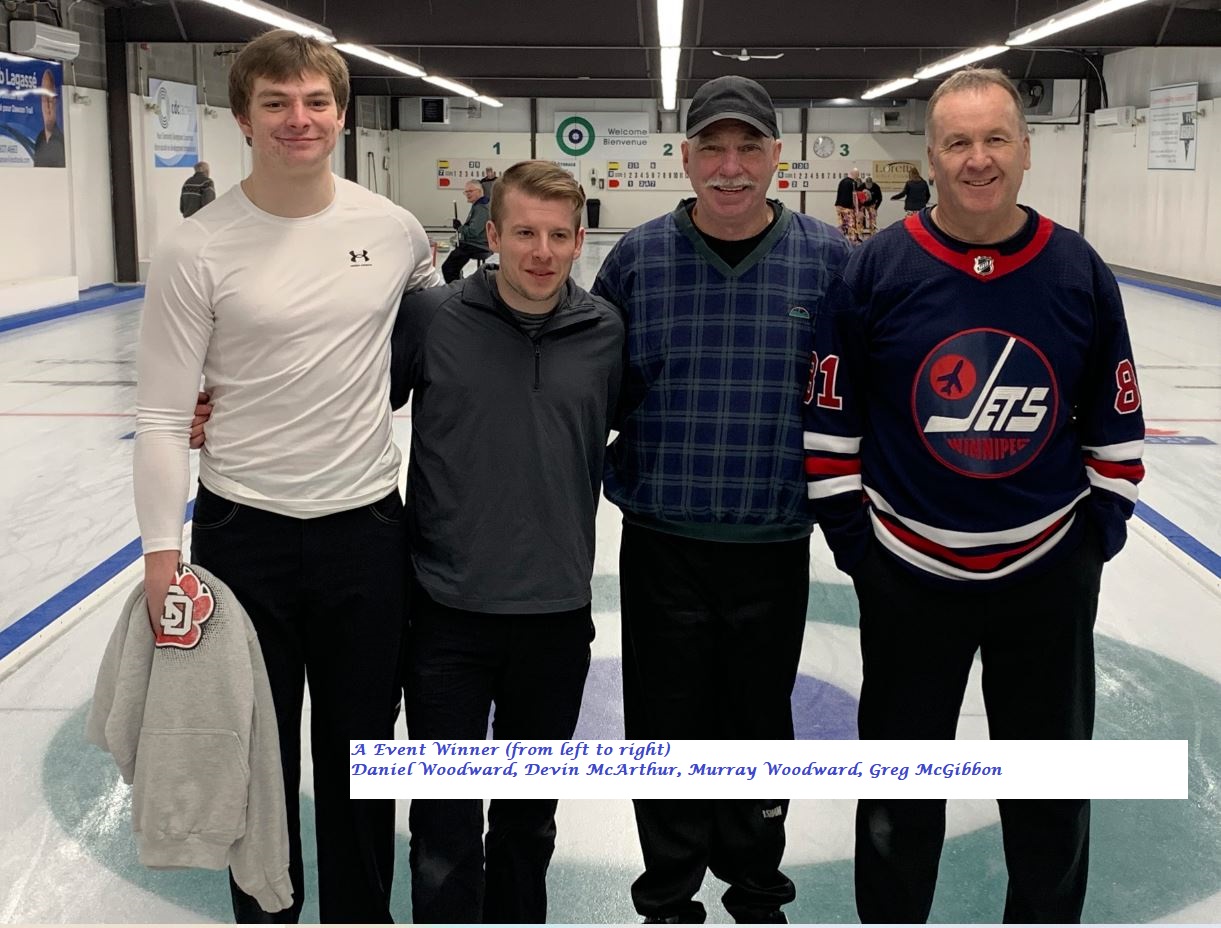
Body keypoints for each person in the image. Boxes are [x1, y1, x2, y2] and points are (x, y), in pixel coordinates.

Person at [802, 67, 1145, 924]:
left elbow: (1115, 421)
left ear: (1026, 151)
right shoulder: (875, 268)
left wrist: (1089, 538)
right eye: (957, 142)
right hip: (909, 576)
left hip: (1045, 575)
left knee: (1050, 785)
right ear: (930, 157)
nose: (977, 158)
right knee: (897, 788)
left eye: (995, 139)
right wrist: (859, 548)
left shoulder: (1076, 270)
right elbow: (829, 420)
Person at [134, 29, 438, 924]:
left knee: (360, 754)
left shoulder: (392, 231)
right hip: (242, 536)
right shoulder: (197, 247)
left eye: (314, 102)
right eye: (276, 103)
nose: (296, 119)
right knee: (253, 758)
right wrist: (161, 558)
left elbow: (430, 344)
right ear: (243, 117)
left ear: (339, 115)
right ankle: (264, 911)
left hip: (365, 533)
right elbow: (160, 413)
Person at [592, 75, 850, 925]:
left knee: (755, 725)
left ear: (778, 157)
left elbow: (871, 386)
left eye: (748, 148)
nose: (730, 168)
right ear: (687, 157)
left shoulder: (827, 258)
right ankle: (666, 895)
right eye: (713, 148)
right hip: (662, 537)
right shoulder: (636, 259)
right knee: (661, 726)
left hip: (772, 540)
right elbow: (589, 382)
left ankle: (753, 887)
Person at [392, 160, 624, 924]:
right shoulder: (432, 319)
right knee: (445, 821)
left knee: (527, 821)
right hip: (445, 615)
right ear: (490, 235)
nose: (541, 251)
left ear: (579, 239)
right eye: (523, 232)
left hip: (554, 620)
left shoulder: (603, 332)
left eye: (559, 235)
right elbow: (339, 395)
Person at [441, 179, 492, 282]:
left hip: (478, 245)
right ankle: (460, 284)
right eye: (466, 192)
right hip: (477, 243)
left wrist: (460, 227)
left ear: (479, 191)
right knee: (454, 264)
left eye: (470, 191)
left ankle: (456, 290)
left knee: (448, 268)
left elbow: (473, 231)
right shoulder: (479, 205)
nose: (467, 194)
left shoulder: (482, 208)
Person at [33, 68, 65, 168]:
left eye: (50, 100)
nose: (47, 106)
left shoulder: (62, 141)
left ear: (56, 103)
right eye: (44, 100)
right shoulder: (39, 139)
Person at [834, 167, 862, 245]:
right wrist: (857, 210)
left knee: (841, 224)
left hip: (839, 206)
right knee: (851, 225)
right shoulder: (853, 183)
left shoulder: (842, 181)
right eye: (858, 175)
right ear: (855, 175)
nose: (858, 176)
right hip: (848, 208)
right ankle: (852, 241)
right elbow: (855, 197)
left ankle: (839, 240)